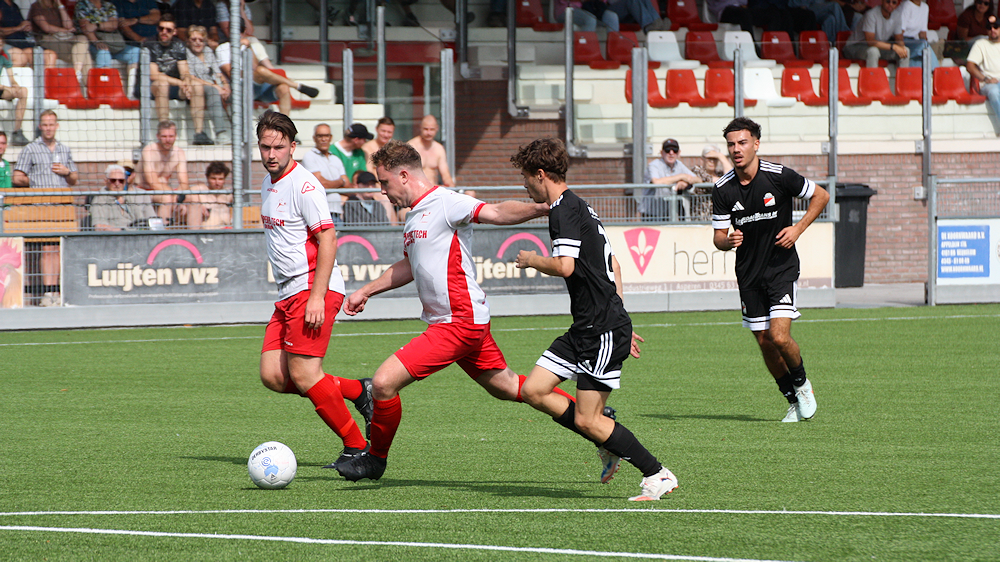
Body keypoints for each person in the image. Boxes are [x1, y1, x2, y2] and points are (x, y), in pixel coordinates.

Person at [335, 140, 591, 482]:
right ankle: (589, 416)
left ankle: (375, 459)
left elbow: (497, 213)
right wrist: (366, 290)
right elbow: (410, 266)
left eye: (384, 182)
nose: (383, 191)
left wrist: (544, 208)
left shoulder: (445, 202)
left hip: (458, 322)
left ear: (405, 175)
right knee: (507, 386)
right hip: (462, 323)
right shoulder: (414, 218)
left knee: (382, 384)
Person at [510, 138, 677, 502]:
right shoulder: (580, 206)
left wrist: (531, 259)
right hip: (591, 326)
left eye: (526, 178)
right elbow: (613, 265)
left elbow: (565, 266)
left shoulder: (562, 210)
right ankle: (606, 431)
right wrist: (622, 319)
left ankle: (656, 473)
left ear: (541, 175)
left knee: (588, 420)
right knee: (534, 390)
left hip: (600, 328)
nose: (525, 186)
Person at [255, 109, 374, 470]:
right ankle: (358, 391)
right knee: (274, 376)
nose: (271, 154)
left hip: (312, 287)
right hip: (288, 291)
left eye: (278, 147)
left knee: (305, 374)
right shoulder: (267, 183)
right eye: (264, 147)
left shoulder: (304, 185)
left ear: (293, 146)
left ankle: (357, 447)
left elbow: (328, 238)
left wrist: (318, 297)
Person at [710, 117, 828, 423]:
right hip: (748, 274)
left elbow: (821, 195)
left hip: (781, 268)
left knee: (778, 336)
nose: (736, 149)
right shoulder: (723, 189)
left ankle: (802, 384)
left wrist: (798, 229)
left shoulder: (778, 176)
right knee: (763, 341)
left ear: (756, 144)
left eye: (742, 142)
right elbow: (718, 239)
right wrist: (728, 240)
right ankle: (791, 399)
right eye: (731, 144)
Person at [12, 110, 79, 307]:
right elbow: (17, 177)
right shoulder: (31, 149)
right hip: (41, 206)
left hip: (61, 206)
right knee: (47, 248)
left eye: (52, 124)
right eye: (45, 124)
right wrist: (35, 181)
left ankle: (57, 291)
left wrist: (67, 171)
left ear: (56, 126)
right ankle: (48, 292)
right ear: (40, 126)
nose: (49, 128)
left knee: (59, 248)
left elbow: (74, 179)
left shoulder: (64, 150)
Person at [148, 14, 213, 145]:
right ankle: (164, 132)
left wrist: (187, 83)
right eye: (161, 29)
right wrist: (180, 82)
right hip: (151, 87)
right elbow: (154, 75)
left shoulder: (179, 45)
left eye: (168, 30)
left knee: (196, 85)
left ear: (175, 32)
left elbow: (184, 71)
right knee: (162, 84)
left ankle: (199, 133)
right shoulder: (149, 44)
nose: (164, 32)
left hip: (174, 86)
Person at [216, 39, 319, 115]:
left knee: (283, 88)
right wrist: (250, 72)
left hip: (258, 86)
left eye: (242, 30)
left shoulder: (249, 46)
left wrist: (249, 48)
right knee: (260, 71)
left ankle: (286, 129)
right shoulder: (223, 48)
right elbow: (232, 73)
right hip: (241, 88)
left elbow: (256, 67)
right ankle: (297, 86)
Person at [132, 120, 193, 226]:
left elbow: (184, 182)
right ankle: (162, 233)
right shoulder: (149, 151)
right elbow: (152, 182)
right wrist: (173, 195)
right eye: (164, 136)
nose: (168, 140)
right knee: (166, 198)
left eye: (171, 136)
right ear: (158, 136)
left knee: (195, 197)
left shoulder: (179, 153)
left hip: (166, 191)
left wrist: (178, 197)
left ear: (176, 136)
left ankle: (196, 234)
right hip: (143, 191)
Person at [28, 0, 91, 92]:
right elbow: (46, 28)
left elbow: (68, 25)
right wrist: (65, 31)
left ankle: (77, 73)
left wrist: (60, 6)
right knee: (84, 54)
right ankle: (90, 88)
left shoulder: (56, 6)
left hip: (64, 39)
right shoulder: (36, 6)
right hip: (47, 41)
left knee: (83, 40)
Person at [75, 0, 142, 83]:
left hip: (112, 42)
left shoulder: (108, 5)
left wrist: (96, 25)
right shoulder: (82, 5)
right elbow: (86, 28)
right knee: (103, 53)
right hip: (92, 42)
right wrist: (96, 42)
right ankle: (104, 87)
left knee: (136, 51)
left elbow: (114, 25)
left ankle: (132, 89)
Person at [185, 25, 230, 143]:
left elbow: (218, 72)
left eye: (201, 39)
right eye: (193, 40)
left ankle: (242, 131)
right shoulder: (186, 53)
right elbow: (191, 77)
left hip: (214, 84)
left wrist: (225, 85)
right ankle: (221, 133)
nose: (197, 43)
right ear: (188, 41)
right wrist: (214, 86)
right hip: (198, 86)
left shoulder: (208, 51)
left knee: (235, 92)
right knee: (213, 91)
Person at [300, 123, 348, 227]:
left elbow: (347, 184)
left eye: (326, 136)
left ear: (331, 138)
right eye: (320, 136)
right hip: (318, 213)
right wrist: (340, 182)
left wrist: (339, 183)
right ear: (314, 138)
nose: (323, 139)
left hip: (337, 212)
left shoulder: (336, 159)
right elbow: (320, 183)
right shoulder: (309, 156)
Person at [640, 138, 700, 221]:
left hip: (668, 213)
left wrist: (685, 183)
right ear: (662, 153)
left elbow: (698, 179)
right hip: (651, 213)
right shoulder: (654, 165)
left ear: (679, 153)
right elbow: (656, 182)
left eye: (674, 150)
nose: (671, 153)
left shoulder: (679, 164)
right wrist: (681, 176)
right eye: (667, 150)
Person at [842, 0, 910, 69]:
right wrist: (894, 47)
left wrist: (902, 48)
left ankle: (903, 79)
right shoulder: (871, 14)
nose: (890, 4)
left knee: (906, 51)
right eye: (888, 1)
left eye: (894, 2)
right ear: (882, 1)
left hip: (878, 47)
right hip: (853, 47)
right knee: (873, 51)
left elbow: (899, 39)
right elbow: (870, 41)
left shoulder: (897, 15)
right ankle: (872, 78)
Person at [90, 164, 157, 231]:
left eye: (121, 181)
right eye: (113, 180)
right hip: (114, 238)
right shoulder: (100, 199)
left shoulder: (134, 196)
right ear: (106, 181)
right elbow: (99, 227)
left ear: (125, 182)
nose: (117, 184)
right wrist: (123, 231)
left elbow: (152, 220)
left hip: (139, 236)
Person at [966, 15, 1000, 136]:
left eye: (996, 27)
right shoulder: (981, 44)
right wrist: (985, 79)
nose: (992, 30)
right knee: (994, 92)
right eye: (989, 28)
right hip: (989, 84)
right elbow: (970, 65)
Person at [0, 0, 57, 68]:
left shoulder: (14, 6)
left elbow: (21, 25)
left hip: (24, 41)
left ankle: (47, 78)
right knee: (31, 53)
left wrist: (26, 27)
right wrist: (18, 28)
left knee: (50, 54)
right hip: (11, 43)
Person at [407, 115, 455, 189]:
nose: (429, 133)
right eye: (426, 129)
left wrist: (451, 186)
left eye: (432, 129)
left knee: (469, 193)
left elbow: (446, 176)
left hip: (433, 190)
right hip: (416, 189)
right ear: (420, 128)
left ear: (437, 129)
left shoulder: (439, 148)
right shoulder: (411, 146)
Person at [690, 144, 733, 220]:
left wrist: (721, 156)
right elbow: (710, 179)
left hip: (719, 217)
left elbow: (732, 177)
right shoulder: (696, 171)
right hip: (702, 219)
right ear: (702, 160)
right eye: (709, 158)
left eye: (715, 159)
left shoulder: (720, 174)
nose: (712, 161)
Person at [0, 40, 29, 146]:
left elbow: (11, 77)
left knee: (23, 91)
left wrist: (15, 85)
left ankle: (17, 132)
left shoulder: (4, 54)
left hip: (1, 89)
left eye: (1, 45)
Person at [189, 160, 233, 227]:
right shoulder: (199, 190)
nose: (217, 182)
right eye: (213, 178)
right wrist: (198, 206)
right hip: (207, 232)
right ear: (207, 178)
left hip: (225, 231)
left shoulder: (228, 194)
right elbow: (182, 197)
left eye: (220, 179)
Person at [897, 0, 938, 69]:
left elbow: (922, 34)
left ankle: (923, 77)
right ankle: (937, 71)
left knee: (920, 56)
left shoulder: (925, 7)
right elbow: (899, 33)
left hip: (914, 41)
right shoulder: (907, 5)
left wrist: (926, 45)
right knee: (923, 45)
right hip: (902, 41)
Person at [333, 123, 372, 188]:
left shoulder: (360, 153)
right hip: (338, 192)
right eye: (364, 140)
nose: (365, 142)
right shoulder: (331, 151)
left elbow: (363, 175)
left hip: (358, 192)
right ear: (356, 140)